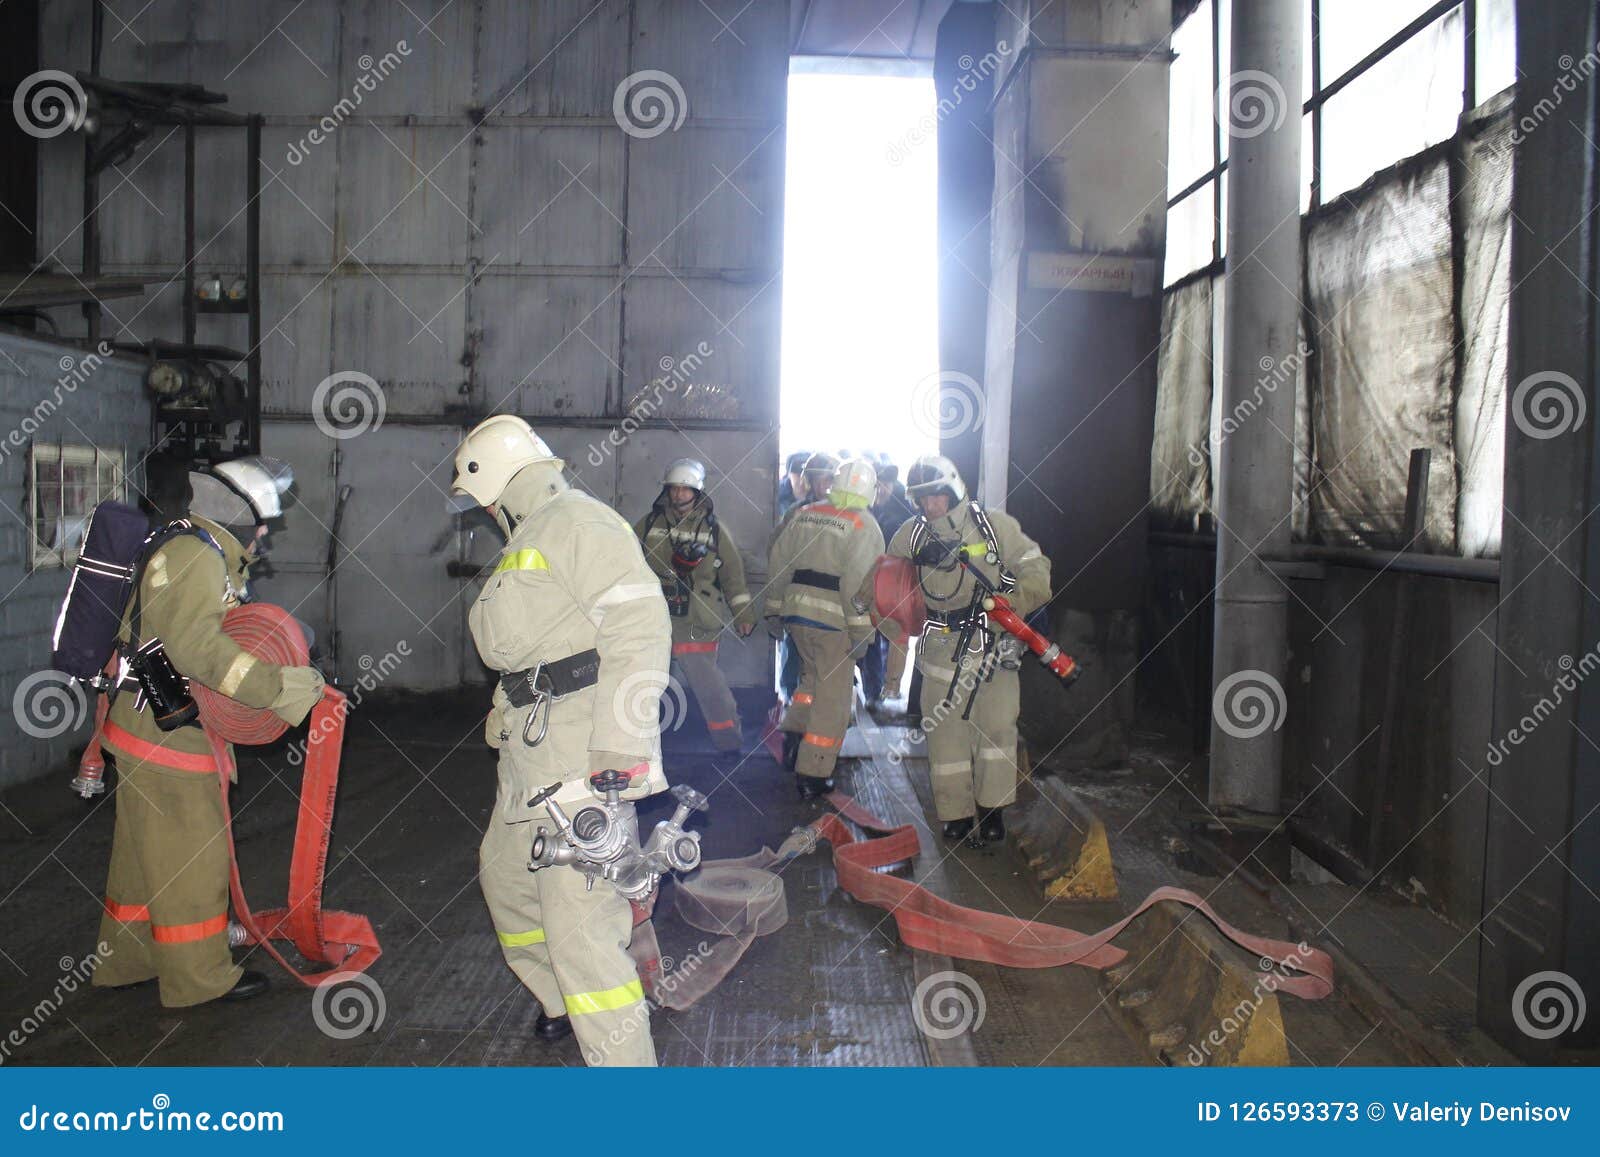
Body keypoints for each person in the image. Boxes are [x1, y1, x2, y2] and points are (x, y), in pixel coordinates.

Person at [451, 414, 669, 1067]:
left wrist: (620, 752)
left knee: (582, 930)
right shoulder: (538, 533)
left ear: (501, 484)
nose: (484, 511)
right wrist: (504, 706)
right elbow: (540, 647)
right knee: (509, 884)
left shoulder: (580, 523)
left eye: (483, 498)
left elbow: (639, 626)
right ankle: (561, 1001)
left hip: (579, 762)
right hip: (531, 756)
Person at [92, 455, 325, 1007]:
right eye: (263, 520)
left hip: (140, 724)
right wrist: (279, 687)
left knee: (143, 853)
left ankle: (129, 960)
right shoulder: (198, 557)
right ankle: (199, 979)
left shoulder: (193, 547)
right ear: (241, 513)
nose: (266, 531)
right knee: (192, 857)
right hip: (166, 733)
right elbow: (198, 649)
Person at [886, 454, 1050, 845]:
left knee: (996, 732)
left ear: (952, 489)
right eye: (922, 499)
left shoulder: (995, 527)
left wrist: (1015, 603)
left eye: (937, 496)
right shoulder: (910, 534)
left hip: (994, 648)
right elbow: (886, 585)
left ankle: (992, 813)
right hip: (941, 649)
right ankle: (955, 816)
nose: (931, 505)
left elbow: (1037, 568)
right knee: (946, 738)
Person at [764, 458, 884, 797]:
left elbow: (778, 563)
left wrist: (774, 610)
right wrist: (862, 634)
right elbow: (859, 586)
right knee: (833, 701)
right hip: (835, 625)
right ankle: (813, 774)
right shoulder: (864, 525)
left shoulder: (805, 513)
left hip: (798, 618)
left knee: (809, 685)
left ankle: (792, 737)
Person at [635, 458, 756, 761]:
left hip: (696, 618)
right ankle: (637, 745)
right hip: (655, 616)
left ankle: (728, 742)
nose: (678, 495)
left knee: (708, 685)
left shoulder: (714, 529)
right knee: (642, 683)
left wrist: (744, 614)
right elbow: (627, 560)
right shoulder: (650, 524)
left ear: (697, 492)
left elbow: (732, 575)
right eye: (674, 489)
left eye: (685, 489)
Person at [776, 451, 841, 704]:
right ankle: (791, 699)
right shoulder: (795, 511)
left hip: (835, 602)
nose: (821, 486)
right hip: (799, 598)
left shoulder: (848, 514)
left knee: (829, 662)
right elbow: (778, 553)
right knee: (793, 652)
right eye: (815, 480)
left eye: (826, 480)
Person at [862, 461, 917, 708]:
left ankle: (888, 686)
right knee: (873, 638)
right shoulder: (868, 508)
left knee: (893, 636)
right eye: (877, 484)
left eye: (885, 484)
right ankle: (875, 691)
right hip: (874, 581)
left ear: (894, 484)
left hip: (896, 585)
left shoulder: (904, 511)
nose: (881, 489)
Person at [778, 450, 810, 518]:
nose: (802, 480)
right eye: (798, 475)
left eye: (807, 475)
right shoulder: (776, 497)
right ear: (788, 475)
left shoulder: (820, 495)